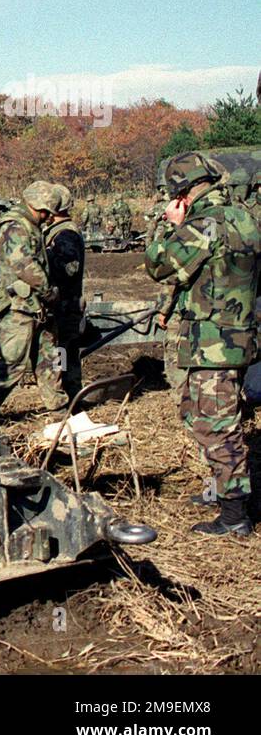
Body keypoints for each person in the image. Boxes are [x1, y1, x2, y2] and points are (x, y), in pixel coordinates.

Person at [146, 153, 260, 536]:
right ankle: (221, 489)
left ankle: (234, 515)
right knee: (200, 414)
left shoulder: (204, 225)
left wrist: (168, 228)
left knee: (217, 426)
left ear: (182, 192)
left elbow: (160, 266)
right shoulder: (244, 218)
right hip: (236, 338)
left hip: (213, 345)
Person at [0, 180, 57, 427]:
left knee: (50, 359)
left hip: (36, 307)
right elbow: (24, 265)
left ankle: (59, 407)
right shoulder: (15, 226)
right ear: (36, 205)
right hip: (19, 308)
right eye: (45, 212)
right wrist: (48, 290)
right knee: (11, 365)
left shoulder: (30, 225)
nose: (47, 217)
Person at [37, 183, 85, 409]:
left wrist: (43, 260)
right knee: (65, 352)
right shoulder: (59, 230)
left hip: (65, 305)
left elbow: (69, 268)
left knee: (62, 353)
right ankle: (72, 395)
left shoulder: (64, 233)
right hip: (65, 304)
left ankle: (68, 396)